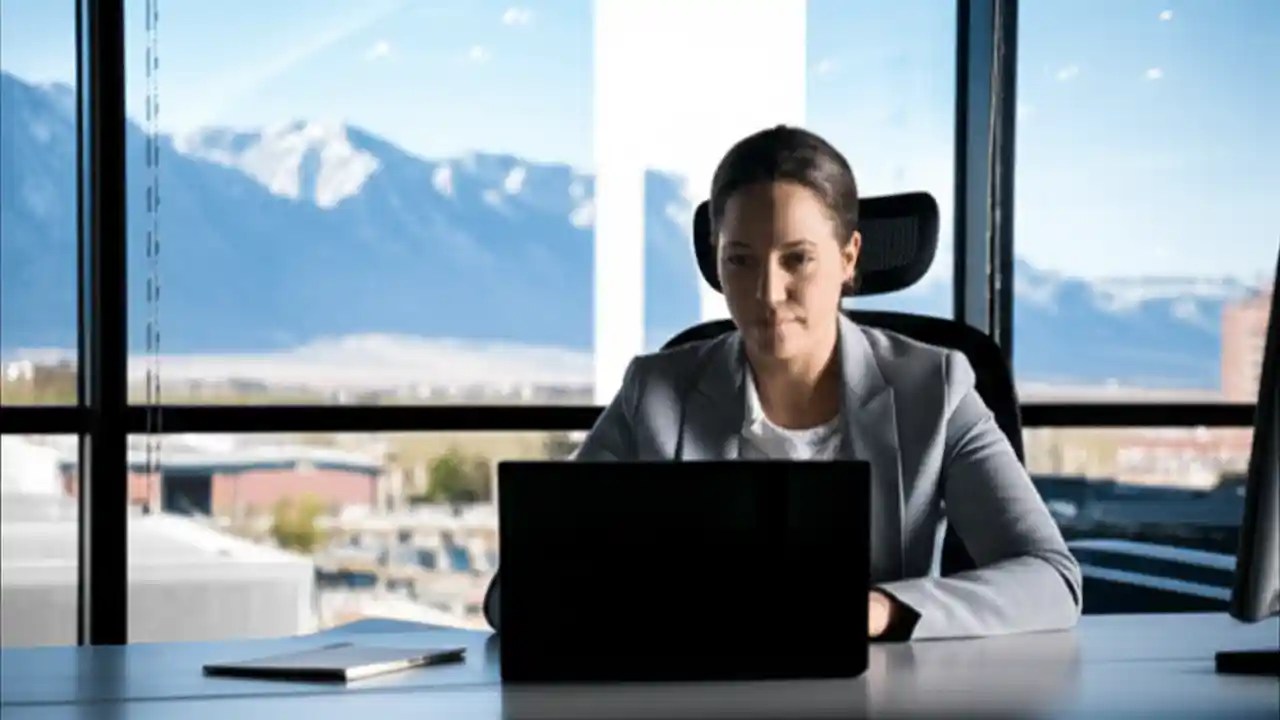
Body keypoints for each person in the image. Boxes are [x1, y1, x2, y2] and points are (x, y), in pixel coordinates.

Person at [483, 125, 1082, 641]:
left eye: (798, 259)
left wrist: (880, 610)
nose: (768, 294)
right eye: (740, 260)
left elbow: (1051, 578)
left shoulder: (935, 387)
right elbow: (514, 595)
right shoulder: (655, 395)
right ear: (715, 261)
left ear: (849, 258)